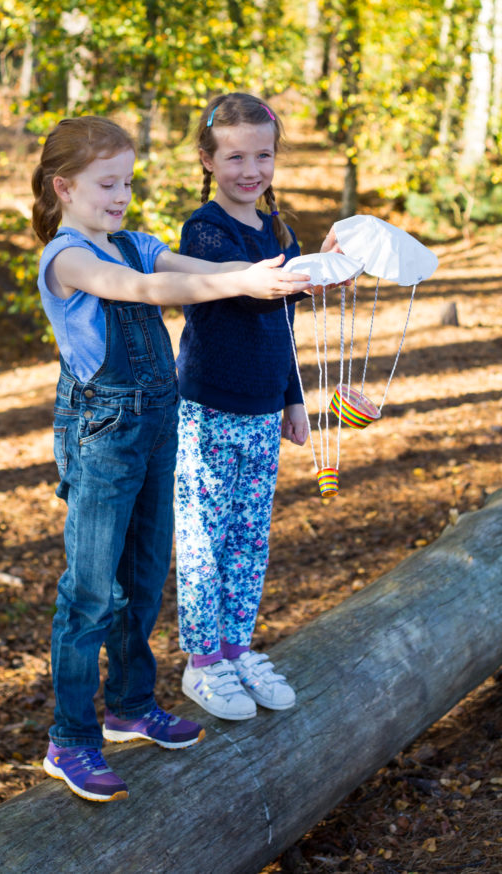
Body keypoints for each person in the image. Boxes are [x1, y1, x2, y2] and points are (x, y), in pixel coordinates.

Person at [31, 115, 312, 802]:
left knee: (145, 574)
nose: (121, 195)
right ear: (63, 187)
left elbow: (194, 268)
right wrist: (237, 286)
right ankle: (70, 740)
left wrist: (271, 273)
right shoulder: (68, 258)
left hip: (160, 424)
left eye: (127, 181)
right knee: (91, 591)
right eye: (106, 183)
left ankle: (130, 706)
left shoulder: (132, 241)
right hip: (104, 434)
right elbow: (149, 291)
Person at [175, 93, 339, 720]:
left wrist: (293, 399)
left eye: (263, 156)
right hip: (211, 409)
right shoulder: (205, 231)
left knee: (249, 537)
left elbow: (282, 328)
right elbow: (255, 299)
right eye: (235, 156)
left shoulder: (278, 230)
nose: (251, 170)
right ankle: (203, 661)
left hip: (266, 411)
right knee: (203, 539)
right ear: (209, 160)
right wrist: (311, 273)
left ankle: (238, 647)